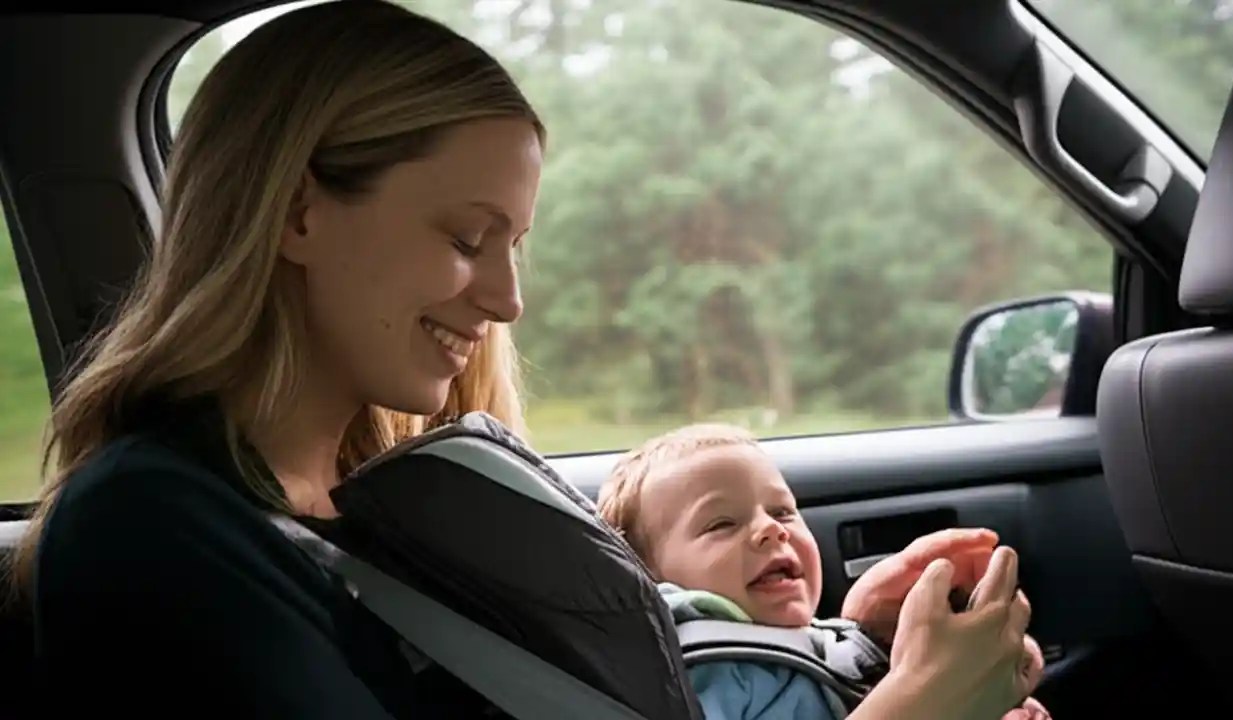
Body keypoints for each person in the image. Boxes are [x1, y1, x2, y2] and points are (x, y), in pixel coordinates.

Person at [6, 1, 1035, 717]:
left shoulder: (375, 501)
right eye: (464, 239)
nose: (505, 300)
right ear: (298, 211)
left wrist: (837, 647)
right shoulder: (157, 533)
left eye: (514, 246)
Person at [598, 423, 1050, 720]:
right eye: (722, 524)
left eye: (783, 511)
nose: (770, 530)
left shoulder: (809, 641)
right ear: (650, 577)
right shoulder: (698, 670)